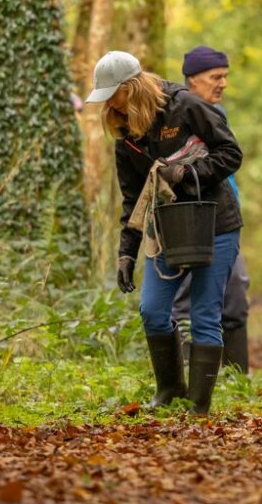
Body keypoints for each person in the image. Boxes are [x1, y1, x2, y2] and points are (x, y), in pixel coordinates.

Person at [88, 50, 244, 414]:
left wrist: (187, 174)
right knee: (153, 309)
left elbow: (230, 153)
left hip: (214, 224)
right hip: (166, 231)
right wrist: (127, 252)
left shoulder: (185, 106)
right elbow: (133, 198)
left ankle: (199, 405)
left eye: (114, 93)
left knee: (205, 313)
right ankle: (170, 390)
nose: (109, 103)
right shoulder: (123, 132)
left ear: (132, 87)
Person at [179, 46, 250, 374]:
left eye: (225, 76)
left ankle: (237, 379)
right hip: (187, 221)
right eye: (215, 77)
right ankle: (185, 379)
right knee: (184, 301)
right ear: (193, 80)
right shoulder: (179, 116)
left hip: (225, 219)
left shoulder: (217, 114)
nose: (222, 83)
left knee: (235, 292)